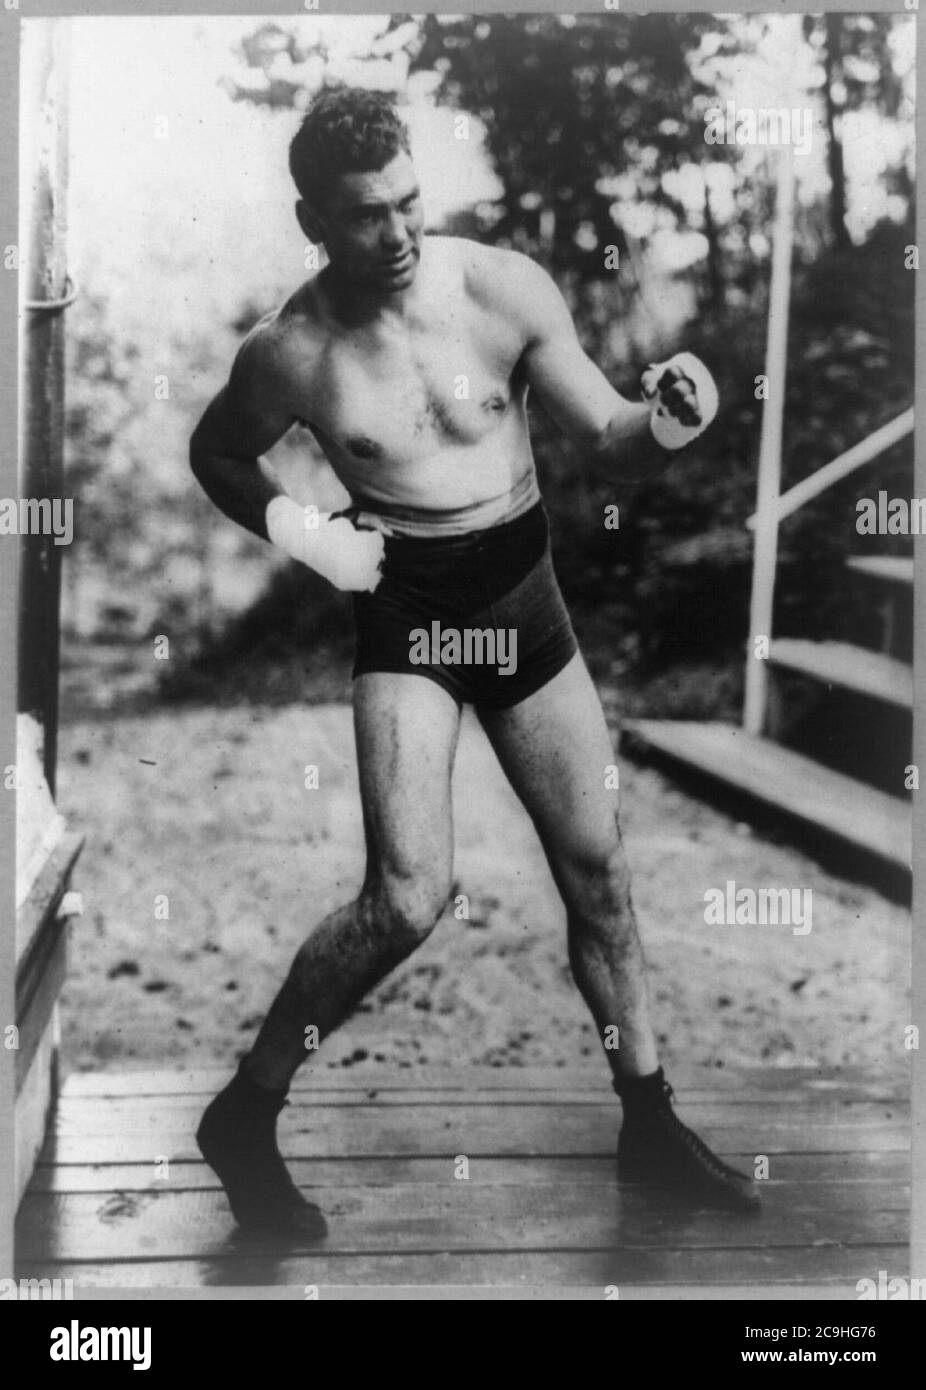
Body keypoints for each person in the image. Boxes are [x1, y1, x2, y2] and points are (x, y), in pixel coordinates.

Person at [189, 85, 758, 1238]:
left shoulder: (498, 287)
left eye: (406, 202)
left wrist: (670, 423)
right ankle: (244, 1113)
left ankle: (645, 1119)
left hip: (522, 599)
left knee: (597, 870)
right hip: (404, 611)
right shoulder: (291, 352)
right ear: (313, 221)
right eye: (362, 216)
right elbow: (215, 451)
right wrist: (307, 535)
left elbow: (611, 441)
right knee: (406, 899)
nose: (394, 234)